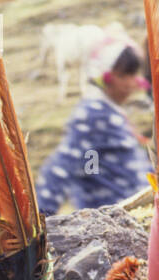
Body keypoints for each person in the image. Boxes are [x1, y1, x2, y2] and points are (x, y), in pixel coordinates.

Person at [36, 37, 152, 212]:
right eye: (122, 75)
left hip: (127, 214)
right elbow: (61, 167)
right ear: (103, 76)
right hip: (107, 219)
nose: (129, 83)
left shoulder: (111, 112)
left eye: (133, 75)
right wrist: (41, 217)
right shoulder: (94, 115)